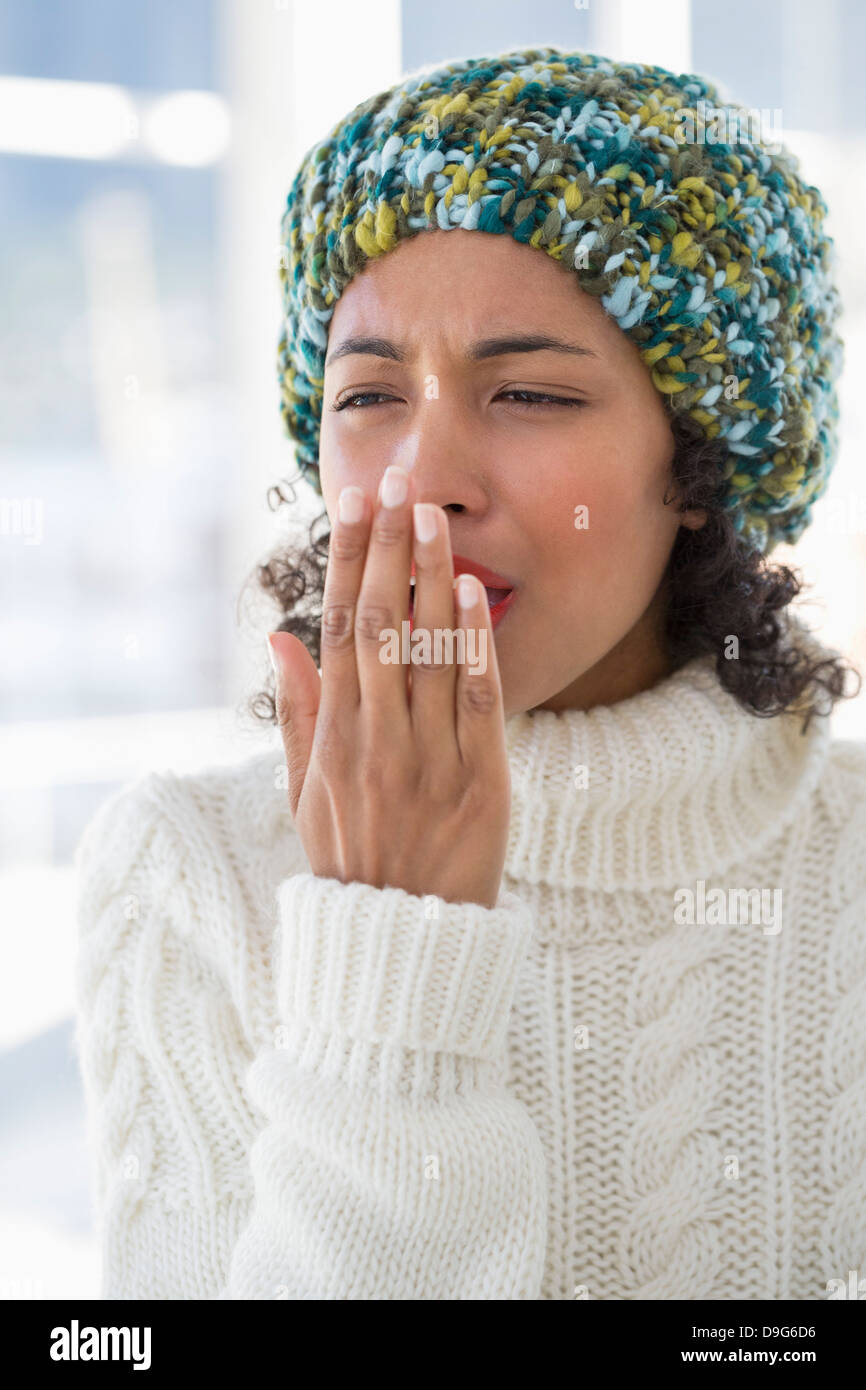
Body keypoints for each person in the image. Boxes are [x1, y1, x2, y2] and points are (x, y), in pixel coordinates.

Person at [74, 45, 866, 1300]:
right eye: (367, 394)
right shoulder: (188, 874)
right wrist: (384, 957)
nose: (416, 479)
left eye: (531, 393)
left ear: (701, 471)